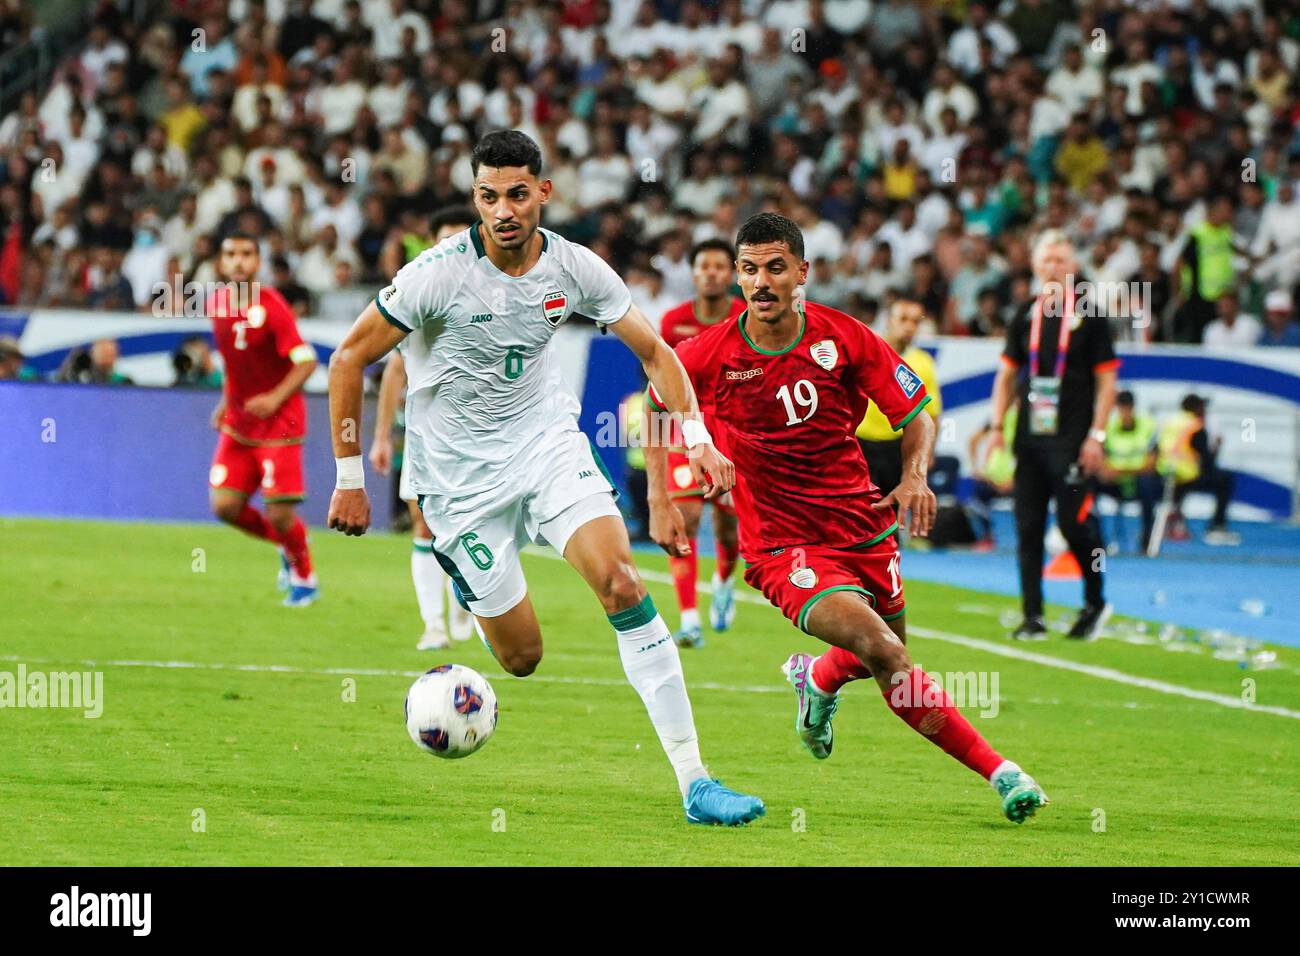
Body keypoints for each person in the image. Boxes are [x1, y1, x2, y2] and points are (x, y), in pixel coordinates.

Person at [326, 130, 764, 827]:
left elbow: (655, 352)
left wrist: (697, 438)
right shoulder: (436, 274)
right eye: (488, 196)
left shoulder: (576, 268)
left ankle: (696, 780)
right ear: (475, 197)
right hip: (460, 485)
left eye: (517, 194)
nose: (503, 209)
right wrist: (349, 476)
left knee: (622, 582)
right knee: (522, 658)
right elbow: (348, 359)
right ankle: (474, 601)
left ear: (544, 194)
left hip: (546, 447)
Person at [646, 212, 1048, 824]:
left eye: (775, 268)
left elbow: (918, 415)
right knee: (885, 650)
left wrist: (913, 475)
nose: (760, 282)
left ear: (802, 272)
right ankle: (1004, 774)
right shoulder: (710, 353)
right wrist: (659, 498)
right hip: (784, 547)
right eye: (749, 269)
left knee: (878, 658)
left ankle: (818, 682)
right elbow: (656, 399)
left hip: (863, 528)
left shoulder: (847, 338)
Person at [988, 229, 1118, 641]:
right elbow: (1007, 374)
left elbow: (1107, 382)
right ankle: (1033, 616)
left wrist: (1096, 435)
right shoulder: (1026, 312)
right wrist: (996, 427)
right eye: (1046, 260)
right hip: (1030, 436)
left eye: (1060, 260)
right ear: (1034, 265)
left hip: (1072, 437)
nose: (1053, 267)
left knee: (1073, 522)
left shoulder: (1091, 316)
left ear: (1073, 267)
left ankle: (1095, 601)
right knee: (1027, 526)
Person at [369, 205, 477, 650]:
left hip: (481, 432)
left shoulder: (493, 290)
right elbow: (394, 370)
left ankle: (465, 601)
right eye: (445, 238)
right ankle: (433, 624)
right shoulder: (416, 292)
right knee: (423, 525)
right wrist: (379, 437)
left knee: (473, 527)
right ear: (433, 242)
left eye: (461, 239)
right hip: (427, 433)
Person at [207, 231, 320, 607]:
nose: (238, 261)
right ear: (221, 262)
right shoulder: (218, 304)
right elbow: (233, 363)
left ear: (258, 262)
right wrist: (226, 402)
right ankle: (284, 545)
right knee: (224, 507)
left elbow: (306, 362)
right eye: (230, 253)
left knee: (280, 513)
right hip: (239, 424)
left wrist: (274, 398)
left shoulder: (272, 305)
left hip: (279, 425)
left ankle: (304, 577)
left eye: (246, 254)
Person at [655, 238, 746, 647]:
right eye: (704, 266)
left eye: (719, 266)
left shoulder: (748, 317)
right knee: (685, 522)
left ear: (732, 274)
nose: (711, 273)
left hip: (734, 437)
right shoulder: (673, 321)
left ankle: (724, 582)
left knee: (729, 533)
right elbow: (660, 378)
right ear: (693, 273)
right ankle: (689, 618)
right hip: (686, 433)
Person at [855, 298, 942, 519]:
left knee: (892, 514)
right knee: (858, 513)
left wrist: (926, 454)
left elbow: (931, 414)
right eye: (903, 319)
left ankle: (890, 553)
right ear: (888, 321)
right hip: (860, 445)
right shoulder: (865, 351)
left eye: (914, 321)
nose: (909, 327)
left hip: (898, 448)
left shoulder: (923, 363)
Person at [1158, 393, 1239, 546]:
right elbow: (1206, 458)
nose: (1205, 411)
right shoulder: (1194, 426)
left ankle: (1171, 523)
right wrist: (1215, 447)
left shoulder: (1170, 422)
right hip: (1187, 475)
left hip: (1164, 474)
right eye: (1202, 407)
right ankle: (1217, 527)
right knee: (1225, 479)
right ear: (1196, 408)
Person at [1097, 390, 1160, 553]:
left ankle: (1146, 543)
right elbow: (1100, 460)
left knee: (1148, 485)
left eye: (1127, 408)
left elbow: (1150, 466)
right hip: (1115, 482)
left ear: (1133, 408)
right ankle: (1096, 542)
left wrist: (1122, 471)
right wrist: (1105, 471)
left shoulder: (1147, 426)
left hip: (1138, 480)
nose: (1124, 413)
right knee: (1089, 485)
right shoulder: (1108, 427)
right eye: (1121, 408)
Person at [967, 404, 1018, 548]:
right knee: (978, 494)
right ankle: (987, 536)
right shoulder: (997, 422)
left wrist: (1013, 481)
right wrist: (976, 469)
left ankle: (1031, 542)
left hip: (1019, 481)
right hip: (993, 480)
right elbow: (973, 440)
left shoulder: (1026, 423)